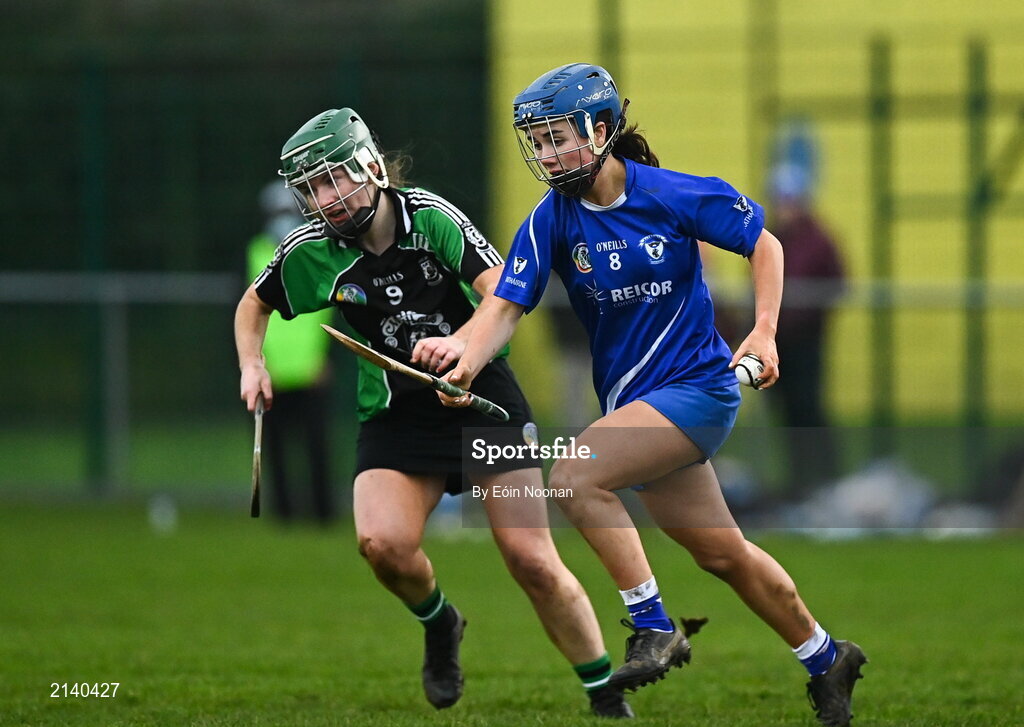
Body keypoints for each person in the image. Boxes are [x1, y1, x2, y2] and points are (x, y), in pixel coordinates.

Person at [440, 64, 867, 727]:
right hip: (638, 409)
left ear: (601, 129)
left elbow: (765, 243)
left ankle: (653, 624)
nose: (548, 154)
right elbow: (502, 309)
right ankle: (825, 655)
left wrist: (764, 328)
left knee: (576, 474)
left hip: (700, 388)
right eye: (539, 141)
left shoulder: (671, 195)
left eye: (559, 137)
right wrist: (465, 357)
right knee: (723, 553)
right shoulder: (549, 222)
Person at [234, 108, 634, 718]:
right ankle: (441, 622)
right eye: (311, 187)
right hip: (396, 417)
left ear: (370, 167)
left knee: (532, 560)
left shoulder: (429, 217)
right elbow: (252, 307)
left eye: (335, 178)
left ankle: (604, 692)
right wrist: (252, 365)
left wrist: (463, 352)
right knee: (382, 544)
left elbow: (503, 290)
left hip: (481, 400)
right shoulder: (310, 252)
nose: (327, 198)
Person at [246, 182, 336, 523]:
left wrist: (326, 358)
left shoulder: (315, 252)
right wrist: (252, 364)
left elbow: (331, 307)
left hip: (311, 369)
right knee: (276, 449)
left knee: (318, 447)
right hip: (272, 372)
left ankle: (323, 512)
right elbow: (244, 313)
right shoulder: (254, 252)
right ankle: (283, 513)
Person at [767, 162, 845, 498]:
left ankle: (827, 478)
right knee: (786, 414)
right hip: (777, 344)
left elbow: (838, 282)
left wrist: (807, 311)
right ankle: (799, 480)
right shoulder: (770, 238)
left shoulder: (818, 240)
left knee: (809, 408)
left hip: (806, 343)